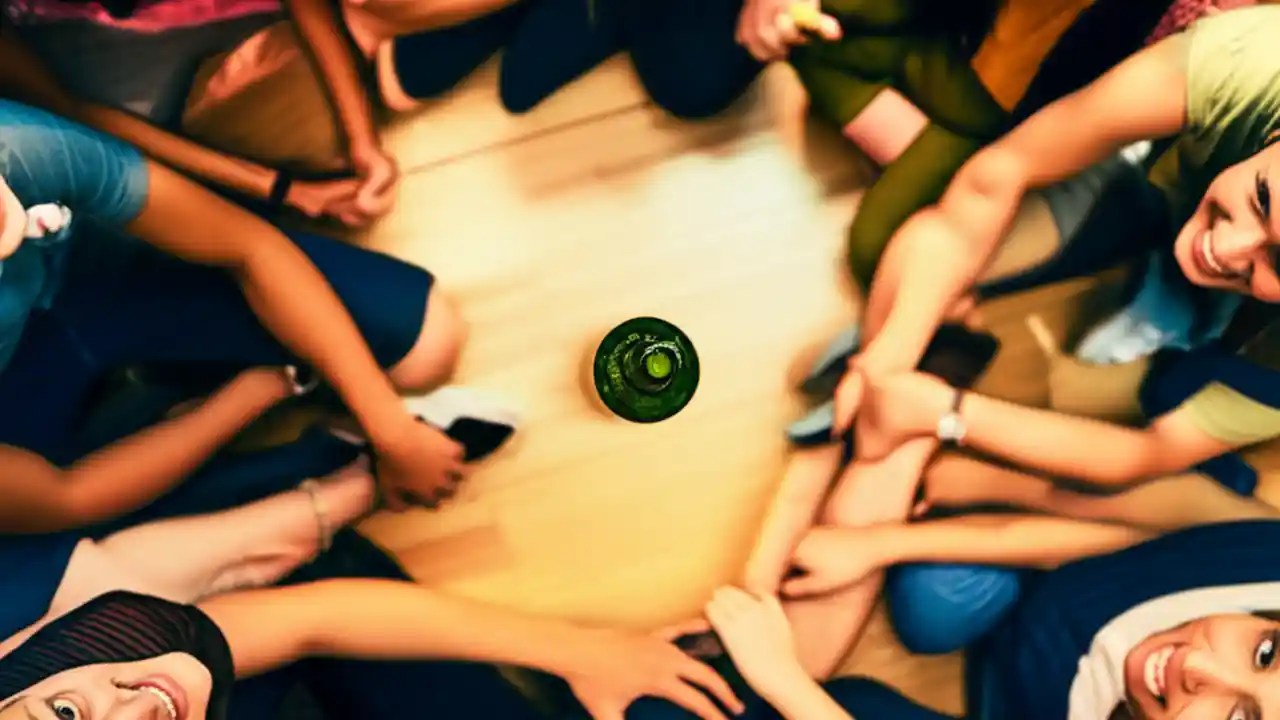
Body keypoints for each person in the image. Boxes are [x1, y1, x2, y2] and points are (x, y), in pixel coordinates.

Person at [0, 96, 507, 657]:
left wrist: (393, 429)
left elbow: (250, 248)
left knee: (429, 346)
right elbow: (68, 495)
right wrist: (258, 390)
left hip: (97, 274)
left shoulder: (16, 149)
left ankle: (174, 408)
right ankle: (281, 457)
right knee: (50, 567)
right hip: (22, 404)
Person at [626, 520, 1280, 719]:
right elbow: (1131, 534)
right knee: (933, 600)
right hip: (1038, 626)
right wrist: (885, 541)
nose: (1197, 665)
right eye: (1266, 654)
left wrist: (780, 676)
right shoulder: (1264, 558)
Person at [0, 0, 529, 225]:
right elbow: (82, 121)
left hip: (285, 39)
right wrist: (285, 190)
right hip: (170, 108)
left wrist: (362, 139)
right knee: (318, 135)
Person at [0, 577, 747, 720]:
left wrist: (577, 648)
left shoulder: (118, 657)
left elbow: (311, 618)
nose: (141, 711)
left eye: (66, 716)